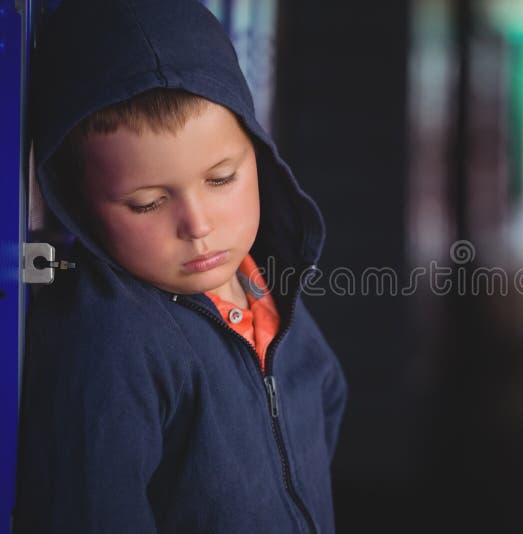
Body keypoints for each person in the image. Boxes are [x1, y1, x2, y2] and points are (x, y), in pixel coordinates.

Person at [14, 0, 347, 532]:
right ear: (80, 204)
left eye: (221, 179)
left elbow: (323, 406)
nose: (197, 225)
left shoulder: (265, 284)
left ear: (258, 154)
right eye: (147, 203)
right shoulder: (109, 341)